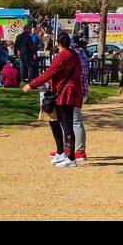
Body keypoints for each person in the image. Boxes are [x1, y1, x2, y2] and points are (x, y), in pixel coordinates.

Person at [23, 32, 84, 167]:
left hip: (64, 93)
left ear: (58, 43)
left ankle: (70, 158)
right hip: (70, 91)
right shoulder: (74, 54)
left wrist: (31, 84)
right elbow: (79, 72)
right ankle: (62, 153)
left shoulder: (62, 56)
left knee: (67, 125)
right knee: (55, 121)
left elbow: (48, 73)